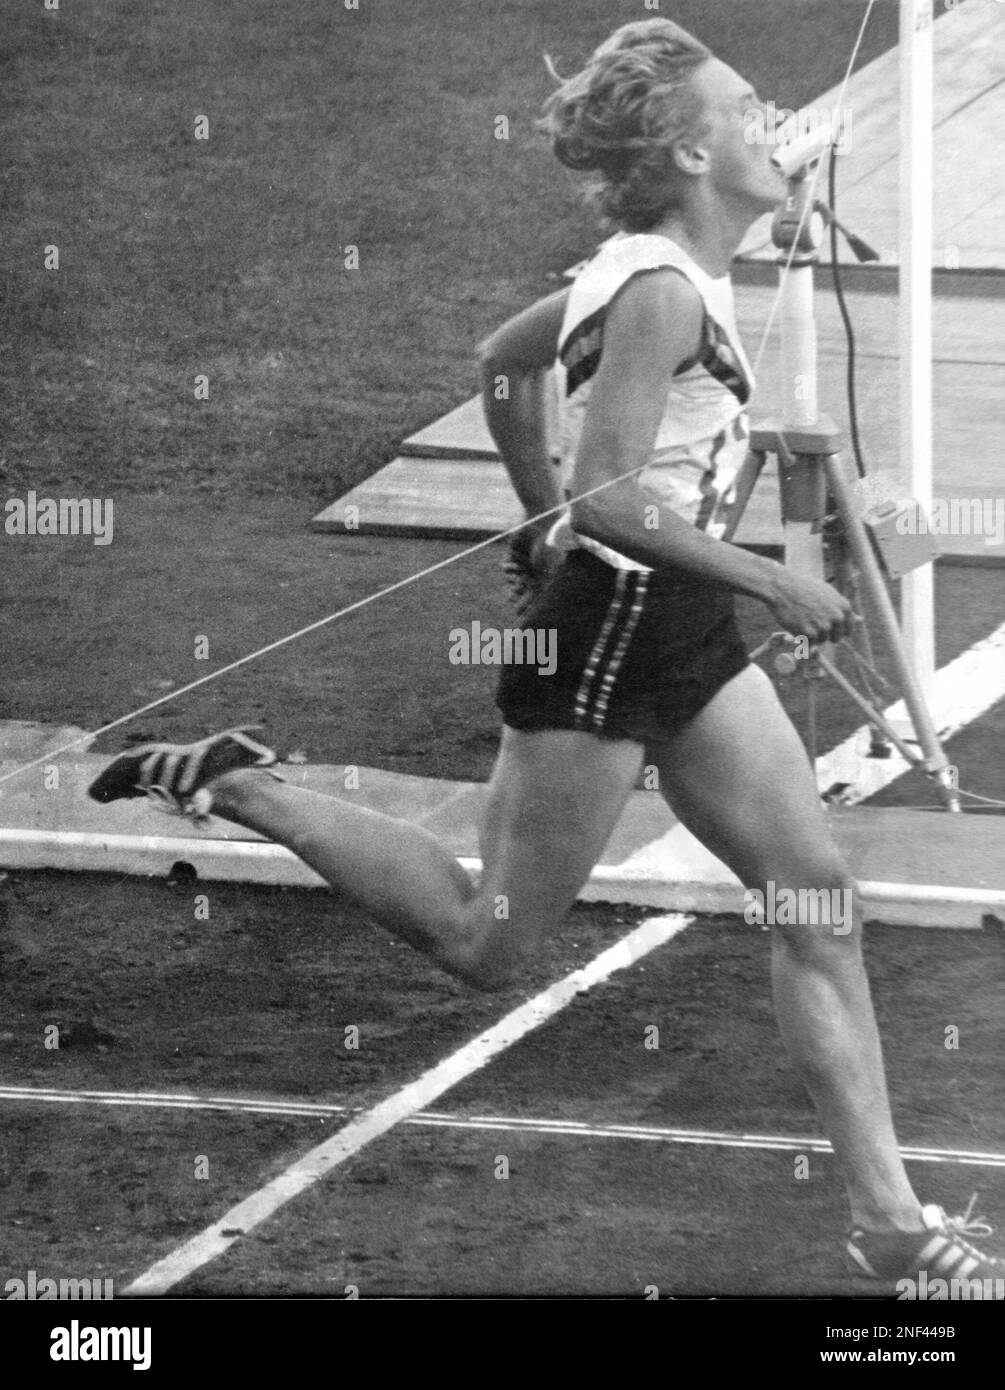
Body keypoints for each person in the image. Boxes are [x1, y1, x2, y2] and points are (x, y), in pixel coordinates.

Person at [89, 19, 1001, 1290]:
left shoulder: (641, 265)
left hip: (669, 625)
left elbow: (502, 370)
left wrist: (539, 526)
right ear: (691, 150)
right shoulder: (665, 290)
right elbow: (615, 494)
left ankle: (892, 1223)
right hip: (612, 631)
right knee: (485, 940)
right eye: (749, 107)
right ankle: (246, 784)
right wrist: (762, 576)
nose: (773, 118)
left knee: (816, 903)